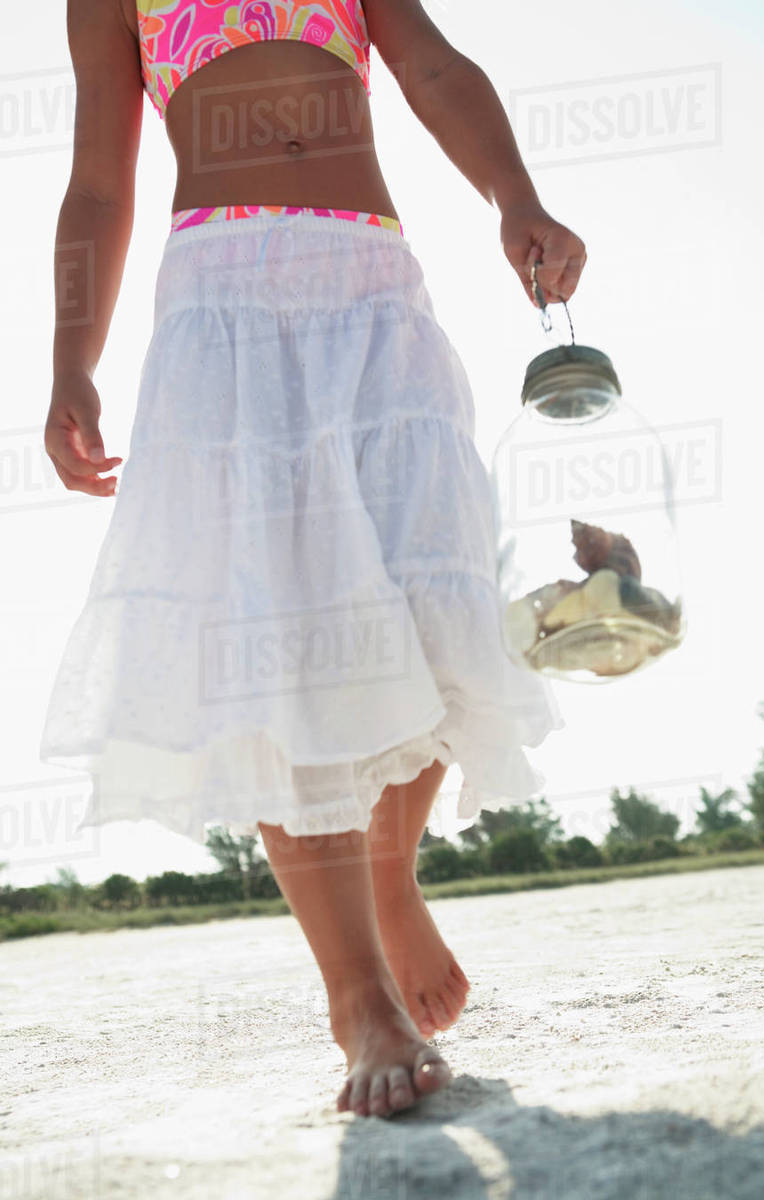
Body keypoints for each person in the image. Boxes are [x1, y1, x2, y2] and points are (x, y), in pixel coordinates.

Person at [41, 0, 586, 1119]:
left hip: (370, 283)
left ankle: (388, 874)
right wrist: (71, 361)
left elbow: (431, 68)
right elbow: (100, 182)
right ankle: (356, 997)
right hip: (220, 295)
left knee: (434, 597)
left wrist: (514, 198)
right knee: (275, 642)